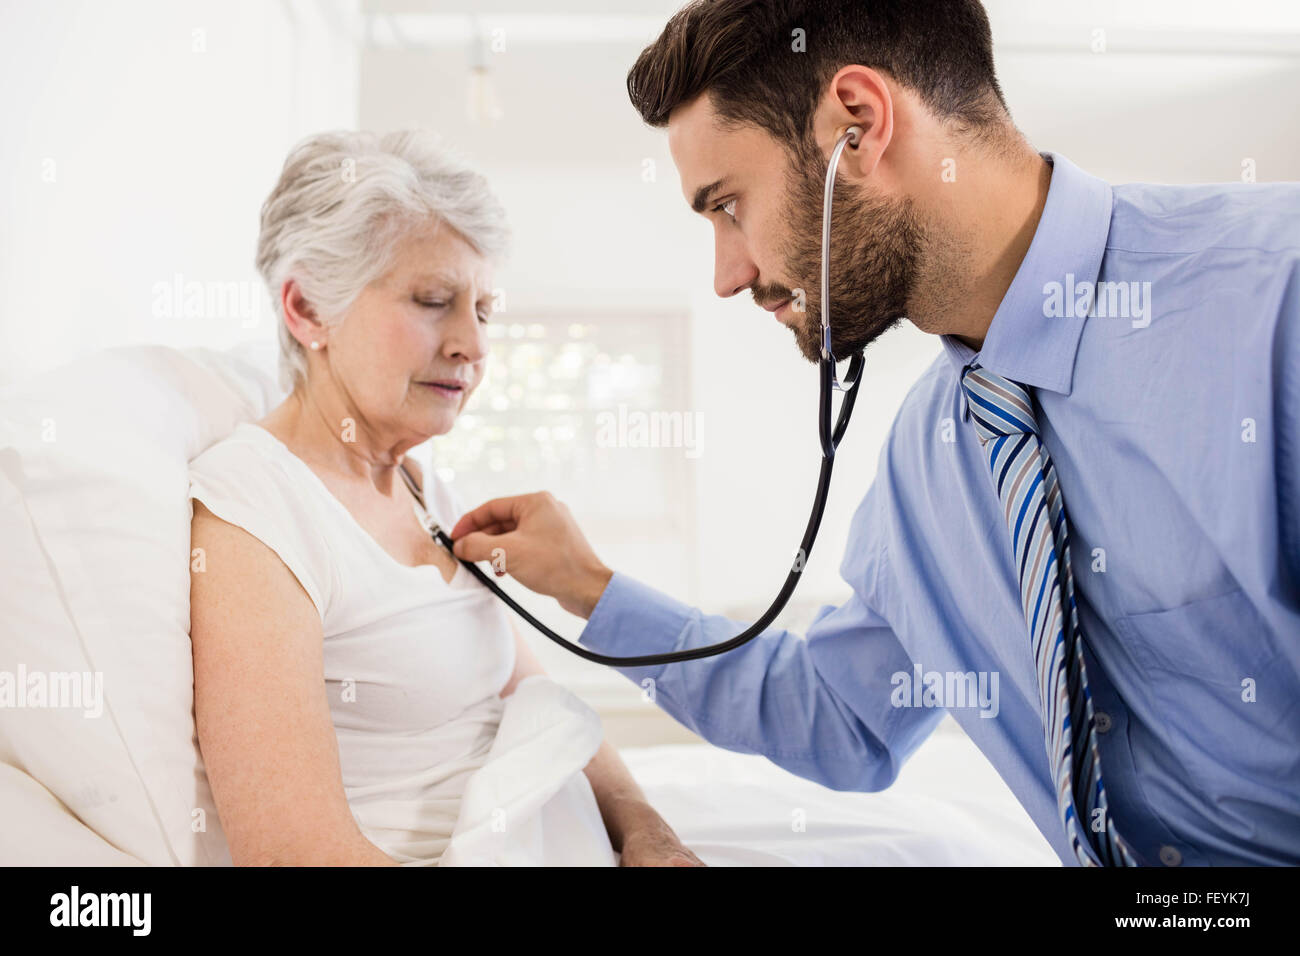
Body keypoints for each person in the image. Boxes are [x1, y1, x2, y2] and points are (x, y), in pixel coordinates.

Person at [450, 0, 1300, 866]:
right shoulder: (935, 459)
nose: (726, 273)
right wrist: (590, 586)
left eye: (729, 206)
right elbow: (845, 720)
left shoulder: (1276, 299)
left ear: (857, 128)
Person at [187, 129, 703, 866]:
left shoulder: (419, 483)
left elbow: (535, 703)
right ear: (306, 311)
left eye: (485, 310)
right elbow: (295, 854)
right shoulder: (256, 513)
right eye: (433, 301)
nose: (473, 343)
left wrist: (648, 831)